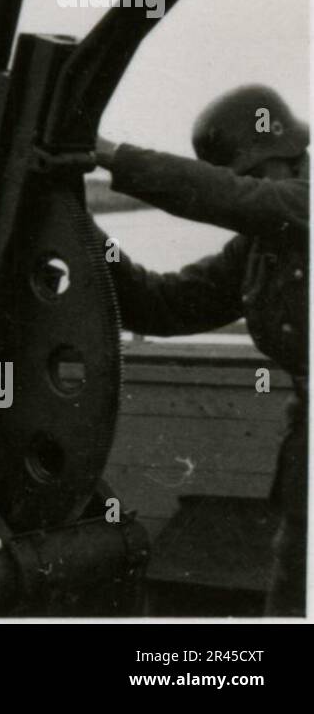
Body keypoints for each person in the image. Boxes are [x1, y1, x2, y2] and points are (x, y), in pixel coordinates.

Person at [94, 83, 308, 616]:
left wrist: (109, 154)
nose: (250, 191)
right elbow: (164, 305)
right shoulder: (262, 245)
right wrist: (79, 224)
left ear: (295, 156)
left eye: (256, 177)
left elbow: (233, 199)